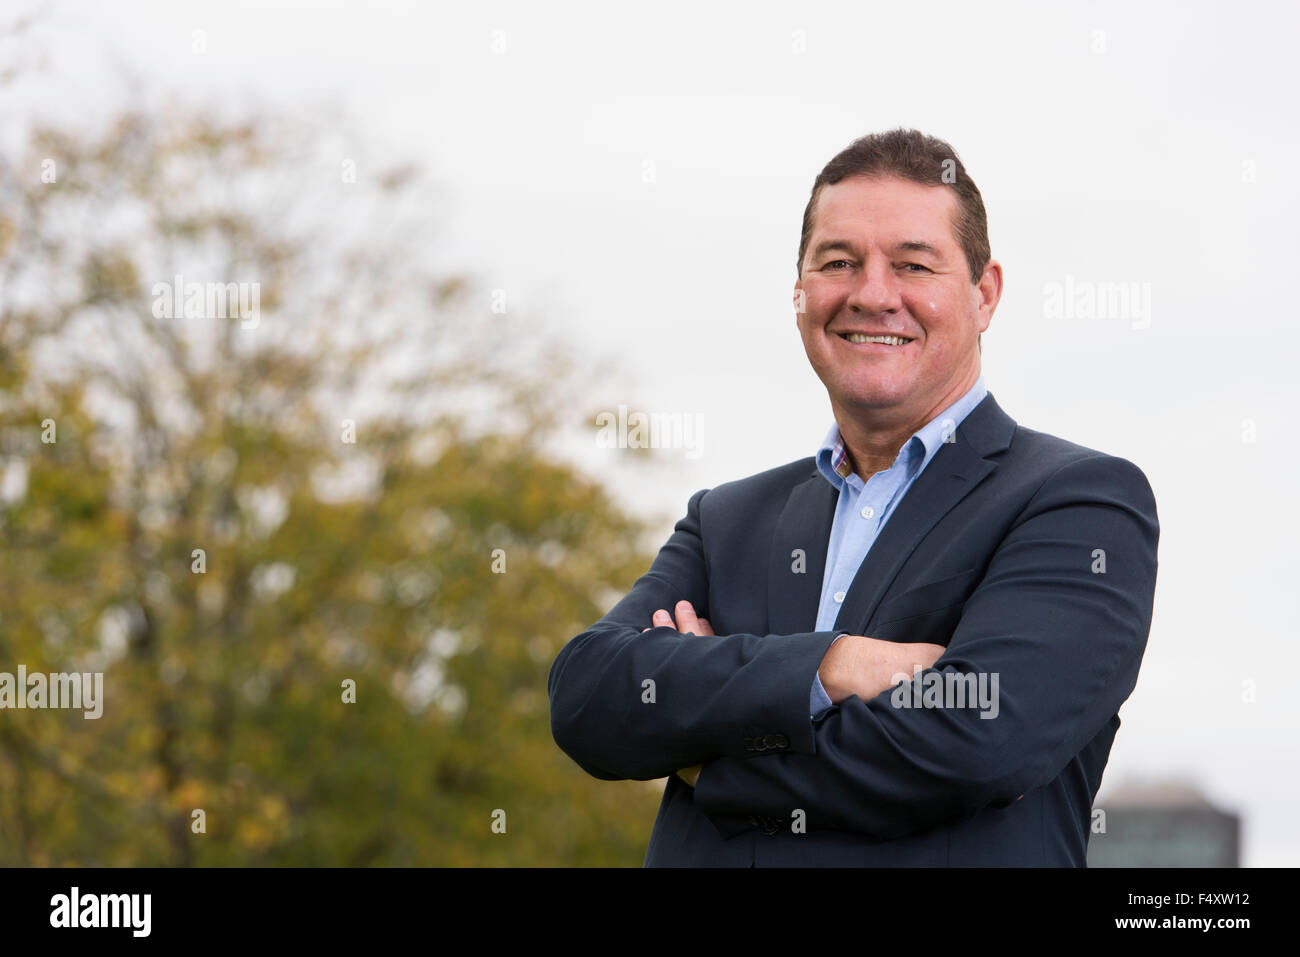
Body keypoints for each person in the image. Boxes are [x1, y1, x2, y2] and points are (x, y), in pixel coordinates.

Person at [547, 128, 1159, 866]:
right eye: (839, 262)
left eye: (913, 264)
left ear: (984, 293)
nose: (873, 294)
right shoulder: (728, 519)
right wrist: (833, 666)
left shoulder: (1077, 503)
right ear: (801, 291)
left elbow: (975, 739)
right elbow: (589, 695)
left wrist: (712, 756)